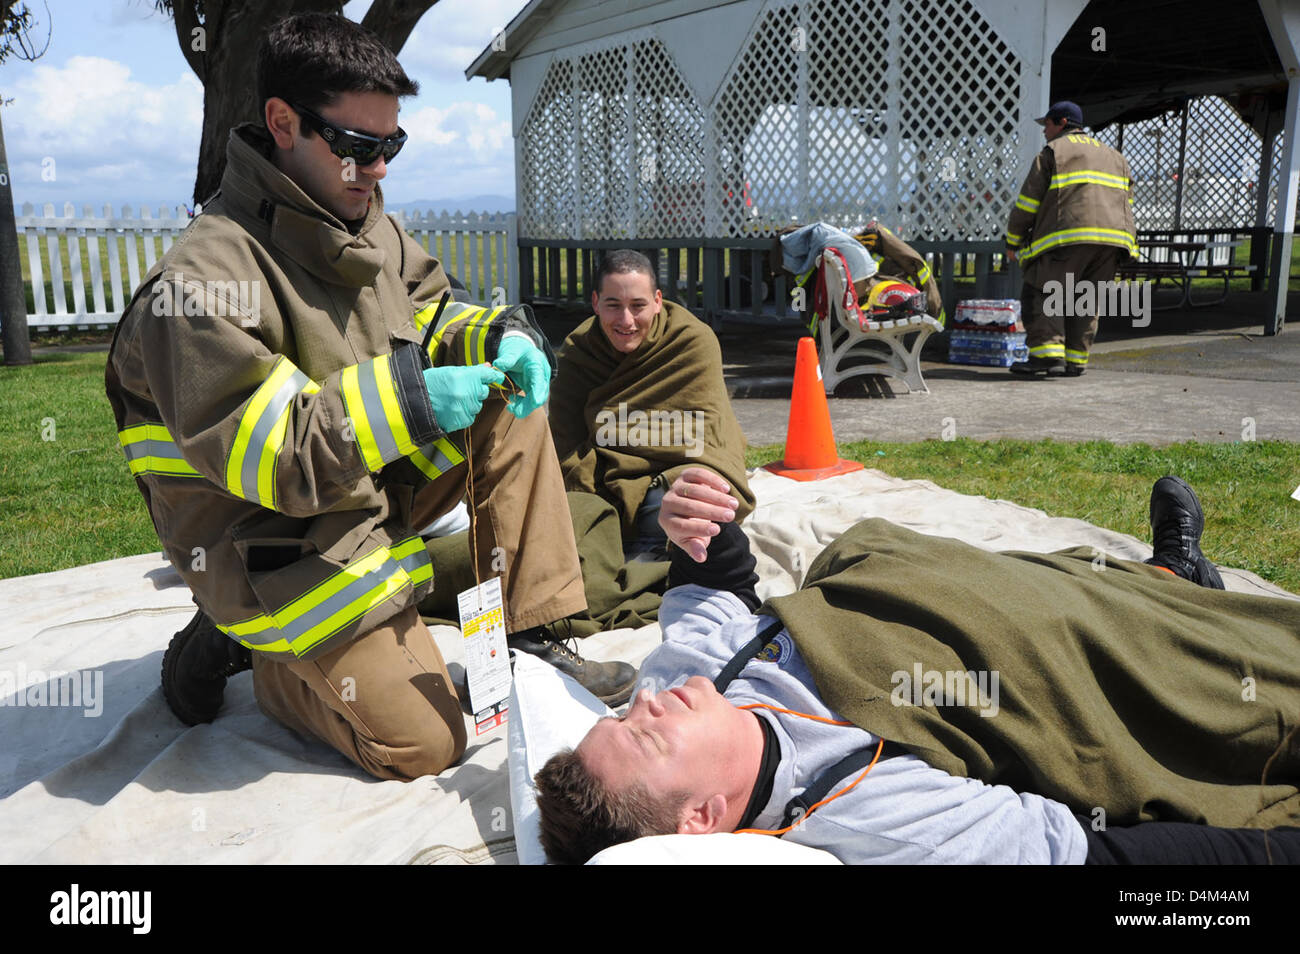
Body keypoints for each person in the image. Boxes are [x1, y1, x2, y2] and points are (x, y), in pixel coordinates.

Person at [105, 13, 637, 783]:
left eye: (391, 146)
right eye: (357, 147)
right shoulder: (202, 281)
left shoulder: (362, 223)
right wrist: (415, 400)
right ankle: (256, 649)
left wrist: (500, 339)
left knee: (506, 397)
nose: (377, 168)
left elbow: (431, 312)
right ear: (282, 123)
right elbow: (277, 458)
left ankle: (528, 640)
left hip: (353, 494)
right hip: (260, 537)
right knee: (426, 745)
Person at [535, 470, 1300, 864]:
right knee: (1200, 657)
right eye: (646, 738)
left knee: (1045, 579)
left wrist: (694, 520)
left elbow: (714, 583)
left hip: (940, 580)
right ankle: (1177, 595)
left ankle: (1170, 574)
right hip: (1063, 651)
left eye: (623, 713)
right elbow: (1098, 858)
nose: (649, 704)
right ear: (702, 819)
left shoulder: (686, 676)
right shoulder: (875, 814)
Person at [549, 249, 755, 555]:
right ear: (595, 303)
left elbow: (704, 434)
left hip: (677, 470)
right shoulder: (578, 352)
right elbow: (565, 443)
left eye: (638, 306)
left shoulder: (692, 342)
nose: (626, 320)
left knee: (691, 504)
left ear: (657, 301)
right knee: (569, 511)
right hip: (606, 478)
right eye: (613, 306)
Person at [1006, 100, 1137, 377]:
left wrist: (1013, 241)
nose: (1045, 131)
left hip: (1068, 238)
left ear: (1063, 123)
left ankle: (1047, 357)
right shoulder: (1116, 157)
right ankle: (1076, 361)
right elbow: (1126, 202)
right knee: (1086, 299)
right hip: (1113, 243)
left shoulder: (1053, 152)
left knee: (1043, 292)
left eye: (1049, 124)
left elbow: (1028, 203)